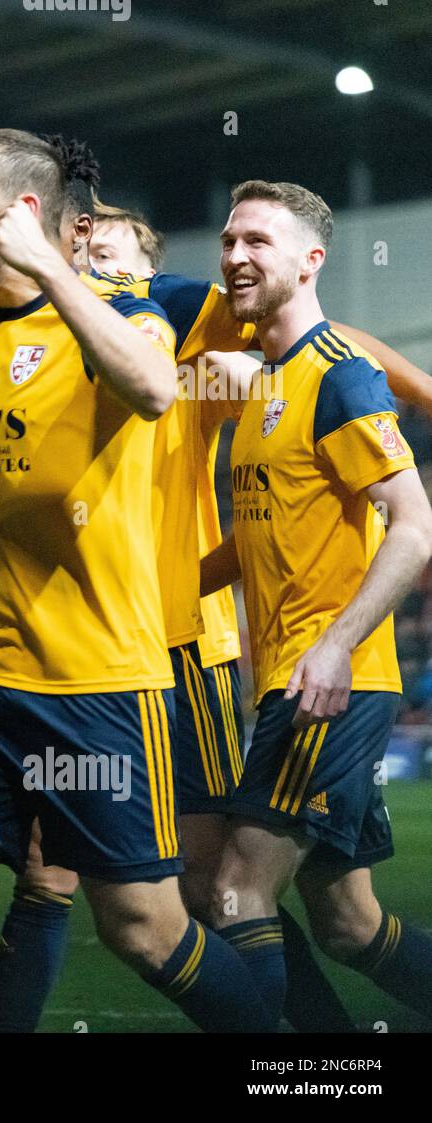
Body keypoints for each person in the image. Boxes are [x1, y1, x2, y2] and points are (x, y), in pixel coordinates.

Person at [0, 128, 275, 1032]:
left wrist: (52, 270)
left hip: (99, 686)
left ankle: (286, 1053)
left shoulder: (125, 314)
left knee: (143, 928)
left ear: (23, 216)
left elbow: (156, 388)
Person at [203, 179, 432, 1024]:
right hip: (299, 681)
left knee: (234, 890)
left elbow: (414, 526)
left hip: (325, 685)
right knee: (349, 924)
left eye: (258, 241)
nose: (235, 256)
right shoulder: (265, 388)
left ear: (310, 260)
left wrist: (333, 645)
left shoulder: (340, 376)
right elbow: (258, 537)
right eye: (229, 240)